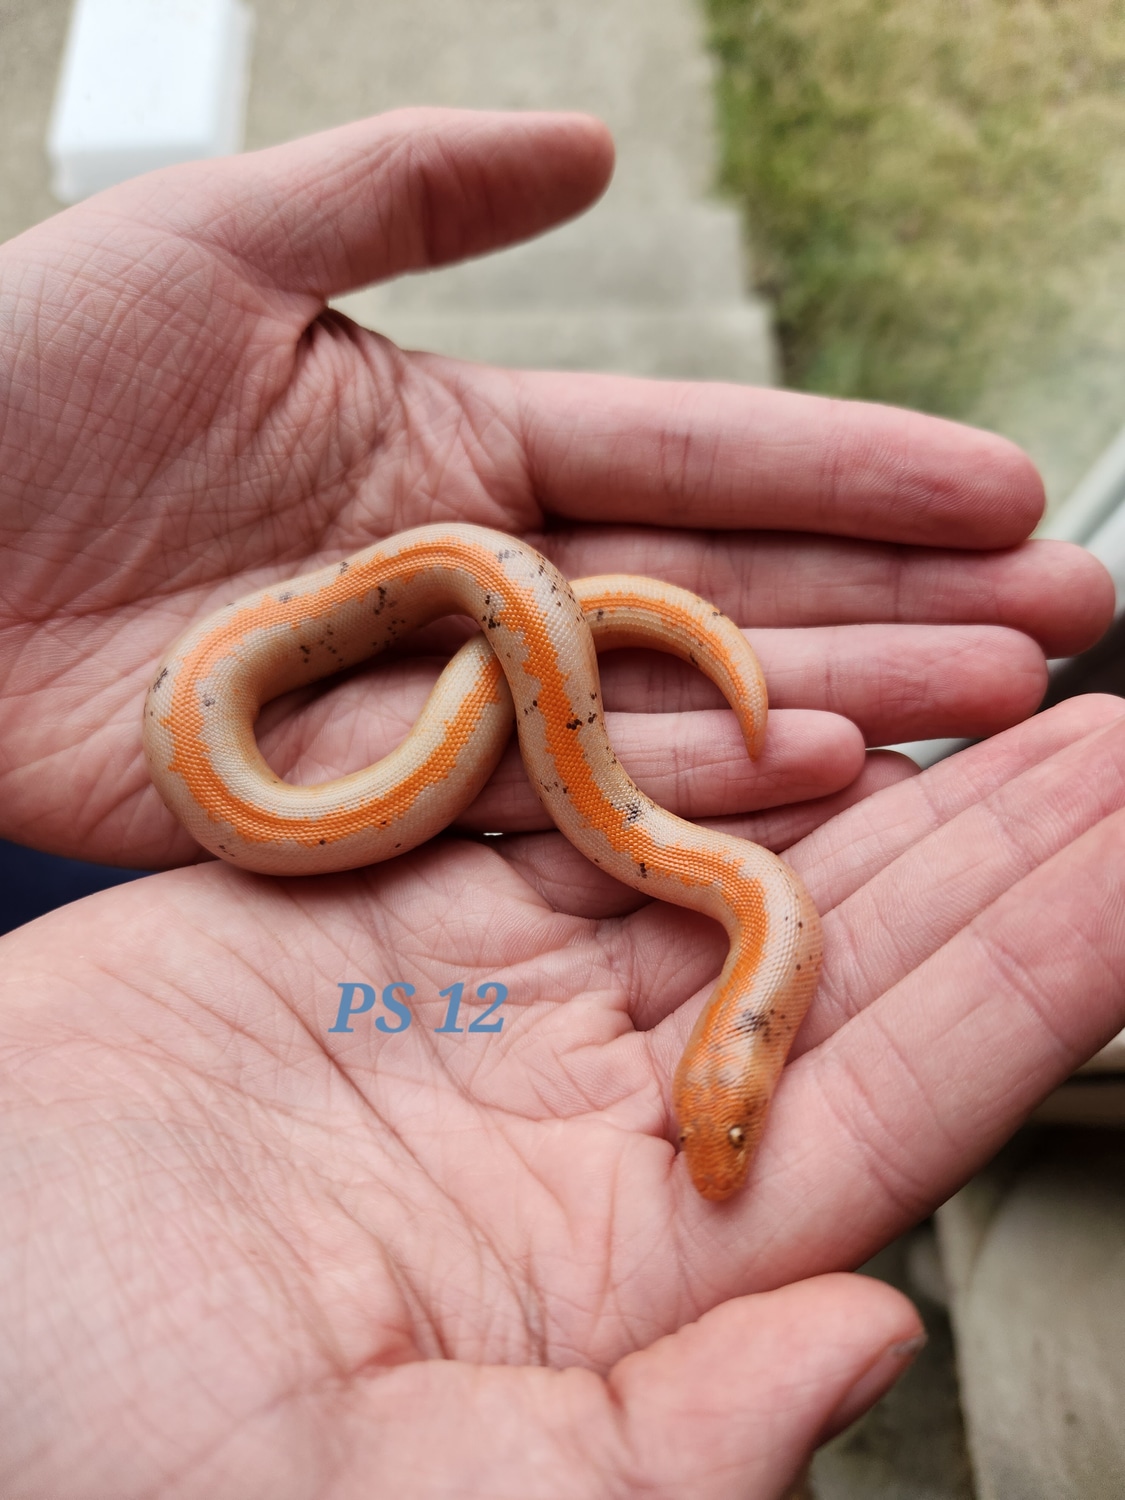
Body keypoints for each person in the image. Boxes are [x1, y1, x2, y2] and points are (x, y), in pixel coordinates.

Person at [0, 108, 1121, 1498]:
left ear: (742, 1054)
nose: (718, 1149)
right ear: (739, 1067)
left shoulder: (736, 914)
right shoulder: (732, 898)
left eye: (722, 1121)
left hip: (330, 679)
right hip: (269, 708)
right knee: (510, 668)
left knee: (511, 668)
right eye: (724, 1123)